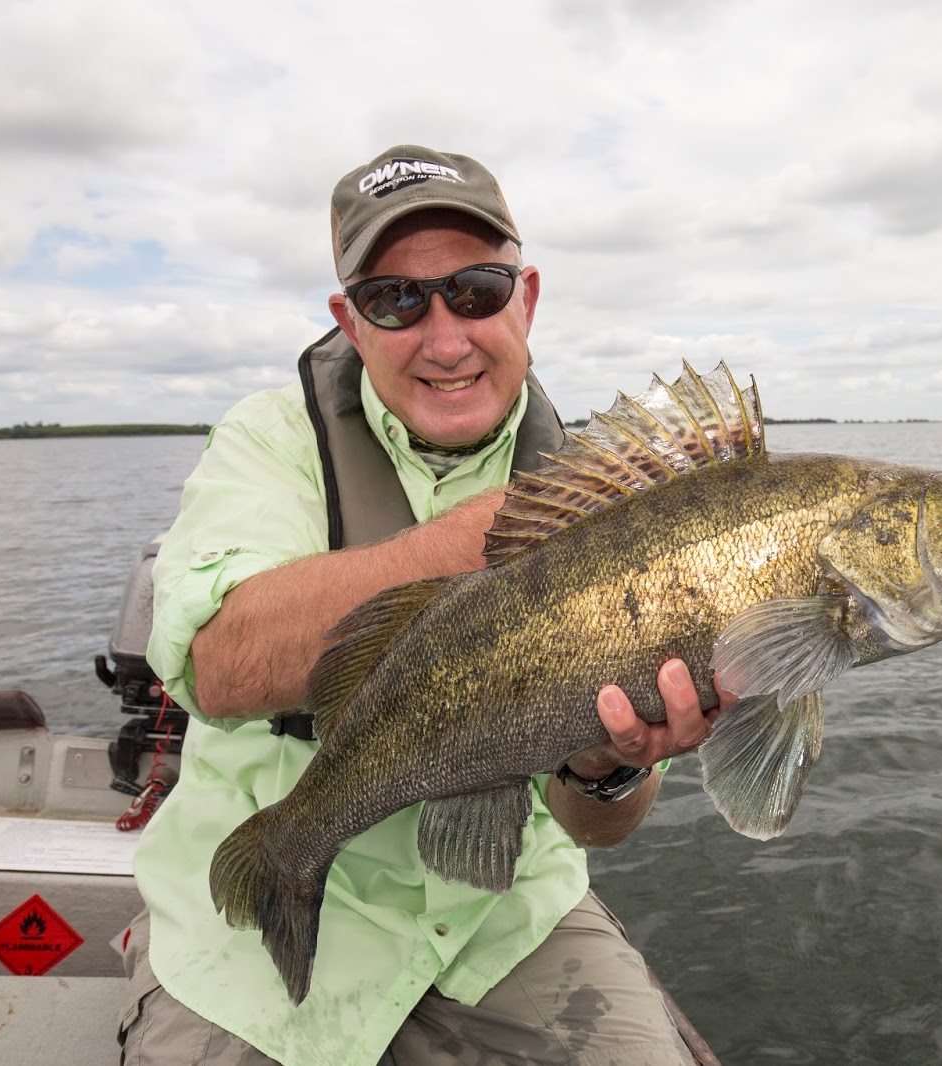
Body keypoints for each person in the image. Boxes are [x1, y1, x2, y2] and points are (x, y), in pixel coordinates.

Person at [120, 145, 720, 1066]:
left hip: (504, 919)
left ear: (527, 298)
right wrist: (503, 530)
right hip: (241, 941)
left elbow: (599, 823)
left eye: (476, 291)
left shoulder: (618, 481)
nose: (445, 338)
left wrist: (607, 765)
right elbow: (218, 661)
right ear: (348, 322)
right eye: (396, 300)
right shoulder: (270, 439)